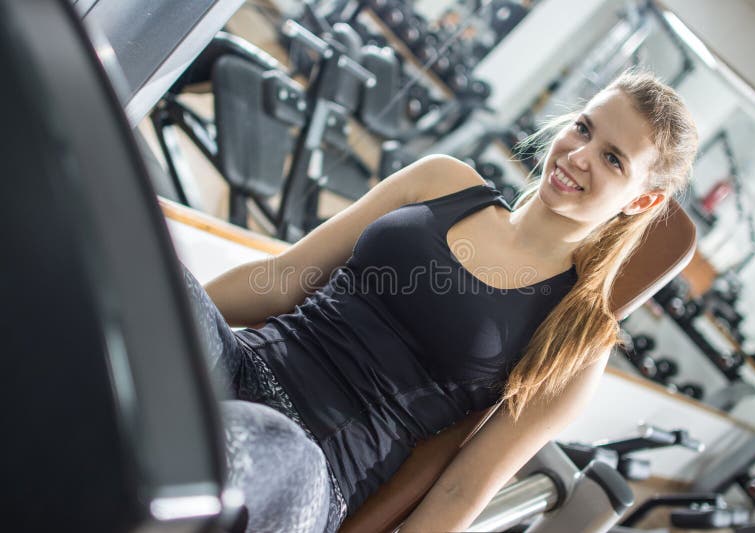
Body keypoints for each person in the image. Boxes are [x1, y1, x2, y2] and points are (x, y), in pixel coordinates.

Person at [187, 68, 698, 532]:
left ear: (642, 200)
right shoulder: (442, 181)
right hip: (247, 365)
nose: (579, 156)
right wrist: (175, 311)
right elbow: (281, 278)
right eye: (584, 128)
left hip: (313, 464)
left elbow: (460, 492)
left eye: (613, 160)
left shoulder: (577, 338)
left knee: (263, 442)